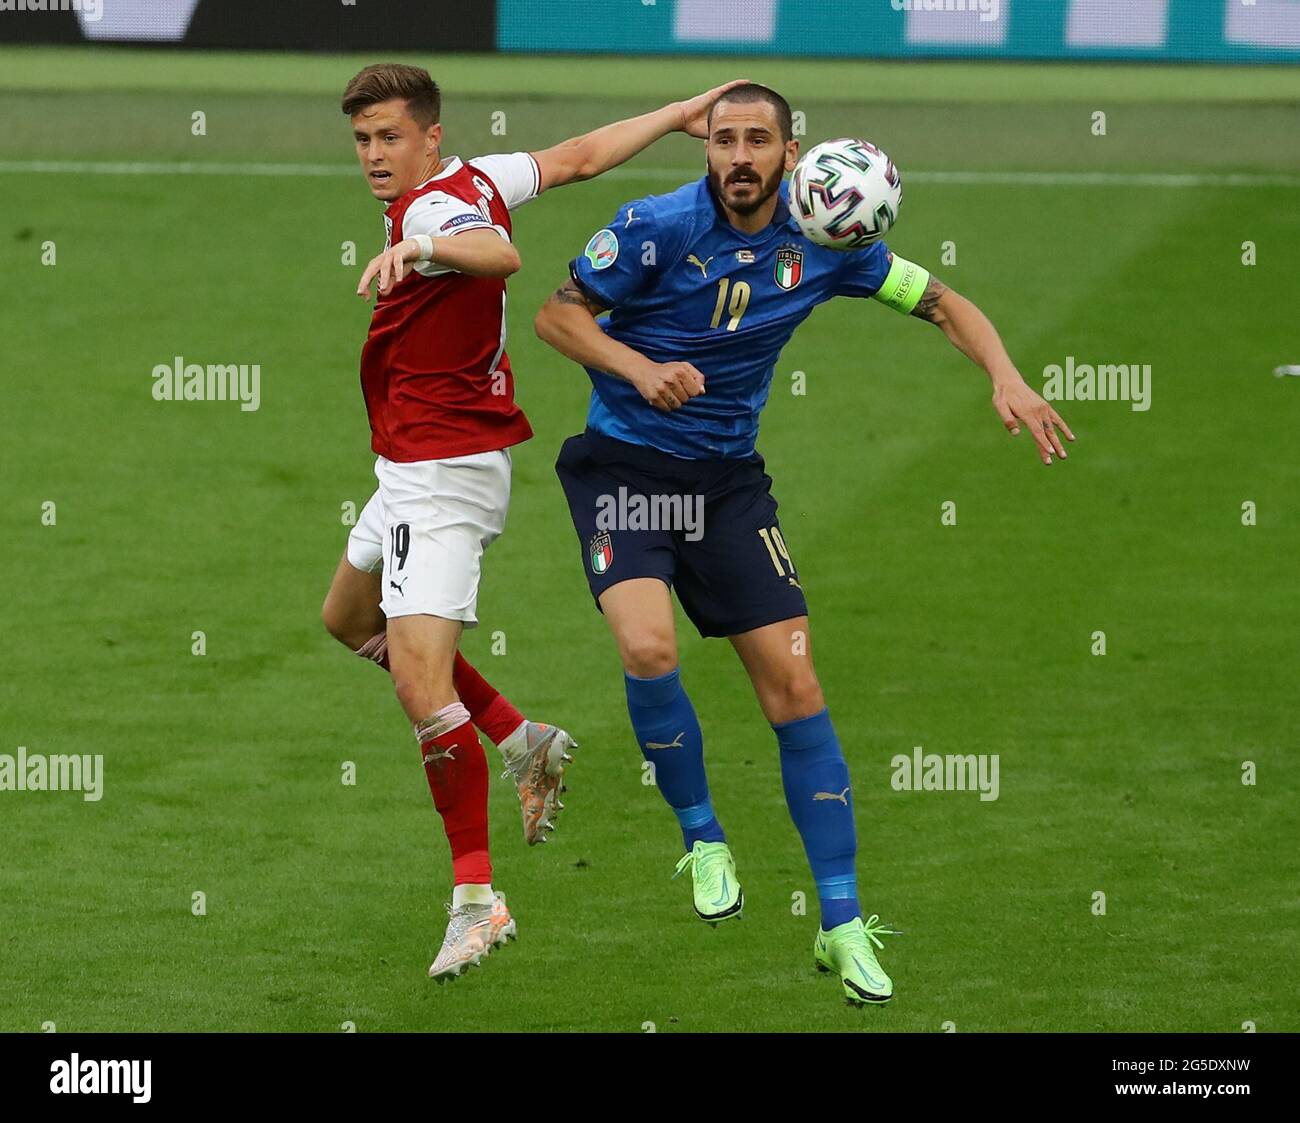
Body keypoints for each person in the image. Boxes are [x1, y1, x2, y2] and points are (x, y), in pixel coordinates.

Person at [534, 83, 1074, 1005]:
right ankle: (704, 839)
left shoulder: (829, 238)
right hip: (624, 471)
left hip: (728, 486)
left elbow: (942, 302)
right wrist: (638, 366)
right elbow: (557, 315)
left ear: (792, 153)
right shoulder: (655, 225)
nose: (739, 155)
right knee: (648, 644)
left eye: (759, 141)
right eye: (725, 139)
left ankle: (842, 922)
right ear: (707, 146)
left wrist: (1007, 375)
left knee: (796, 685)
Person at [322, 62, 745, 982]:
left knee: (421, 693)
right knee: (349, 619)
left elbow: (499, 257)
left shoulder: (442, 214)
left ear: (429, 135)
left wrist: (423, 250)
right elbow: (579, 158)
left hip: (441, 475)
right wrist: (676, 112)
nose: (374, 156)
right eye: (362, 140)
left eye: (390, 136)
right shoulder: (478, 176)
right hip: (411, 464)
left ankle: (477, 900)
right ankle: (523, 739)